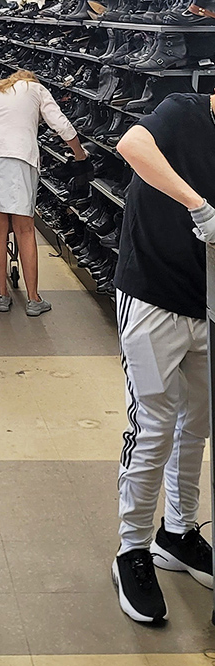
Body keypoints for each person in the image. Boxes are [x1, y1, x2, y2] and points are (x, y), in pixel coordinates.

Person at [110, 92, 215, 625]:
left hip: (207, 305)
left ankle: (178, 531)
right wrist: (197, 205)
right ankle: (132, 549)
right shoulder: (184, 110)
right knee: (153, 427)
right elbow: (132, 143)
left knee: (196, 425)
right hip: (151, 294)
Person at [0, 69, 87, 315]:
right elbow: (60, 123)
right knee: (24, 229)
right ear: (31, 79)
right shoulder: (36, 89)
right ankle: (33, 299)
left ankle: (2, 295)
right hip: (17, 156)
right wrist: (80, 155)